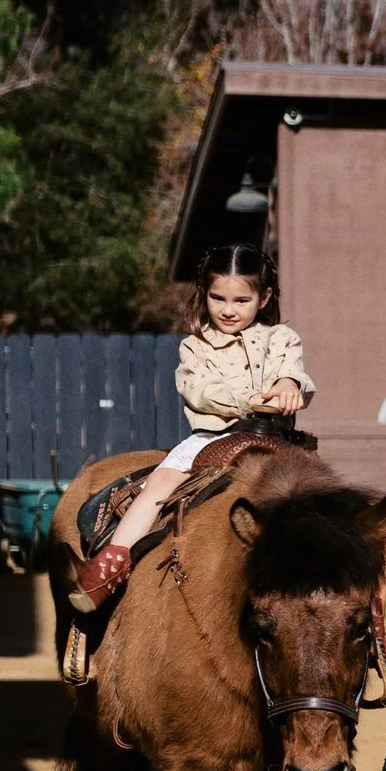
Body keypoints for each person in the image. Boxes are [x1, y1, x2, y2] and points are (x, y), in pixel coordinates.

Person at [70, 243, 313, 613]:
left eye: (241, 301)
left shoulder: (281, 338)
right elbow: (197, 390)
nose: (228, 310)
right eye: (218, 298)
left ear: (263, 298)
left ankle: (357, 600)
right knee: (161, 483)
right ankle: (110, 565)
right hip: (215, 437)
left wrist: (289, 385)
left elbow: (293, 371)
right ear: (204, 294)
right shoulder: (196, 346)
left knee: (324, 498)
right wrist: (247, 399)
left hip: (275, 438)